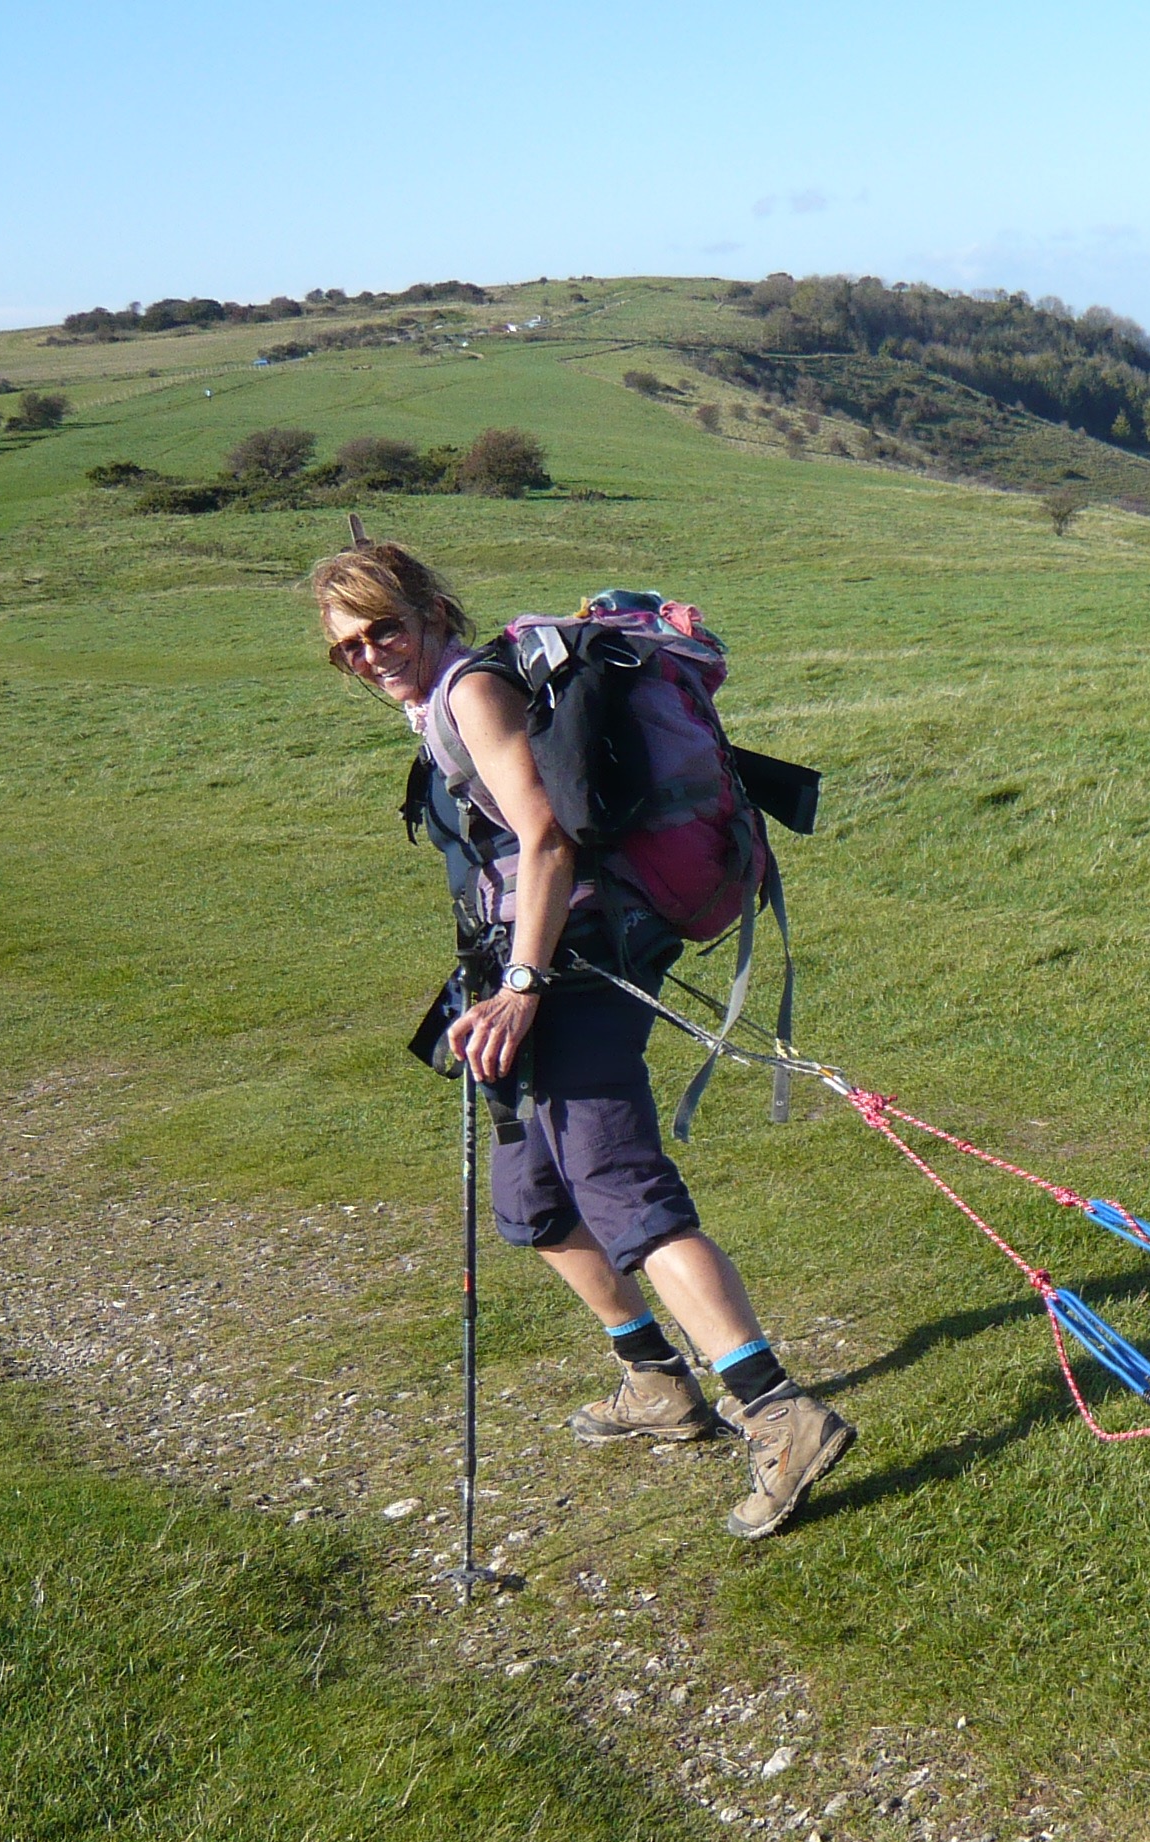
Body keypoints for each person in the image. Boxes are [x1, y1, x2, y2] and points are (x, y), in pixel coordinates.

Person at [311, 539, 853, 1538]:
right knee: (533, 1197)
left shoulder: (471, 689)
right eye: (346, 647)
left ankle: (779, 1414)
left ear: (430, 607)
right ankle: (657, 1382)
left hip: (571, 962)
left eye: (383, 627)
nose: (370, 653)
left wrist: (521, 983)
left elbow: (545, 836)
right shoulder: (436, 703)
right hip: (530, 964)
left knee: (616, 1181)